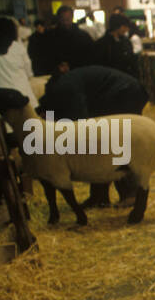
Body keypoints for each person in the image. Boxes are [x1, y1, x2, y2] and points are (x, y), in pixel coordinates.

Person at [38, 64, 148, 206]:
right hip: (120, 92)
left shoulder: (65, 91)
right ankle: (99, 196)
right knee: (102, 147)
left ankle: (129, 193)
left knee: (116, 143)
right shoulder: (60, 90)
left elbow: (81, 122)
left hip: (124, 93)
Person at [44, 4, 95, 74]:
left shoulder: (83, 36)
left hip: (79, 73)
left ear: (72, 17)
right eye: (63, 19)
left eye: (67, 19)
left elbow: (90, 57)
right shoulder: (50, 37)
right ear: (58, 19)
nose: (65, 22)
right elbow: (46, 57)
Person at [96, 13, 138, 78]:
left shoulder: (126, 41)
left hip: (126, 79)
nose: (127, 29)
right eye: (124, 27)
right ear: (117, 27)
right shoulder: (102, 44)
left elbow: (131, 61)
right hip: (110, 79)